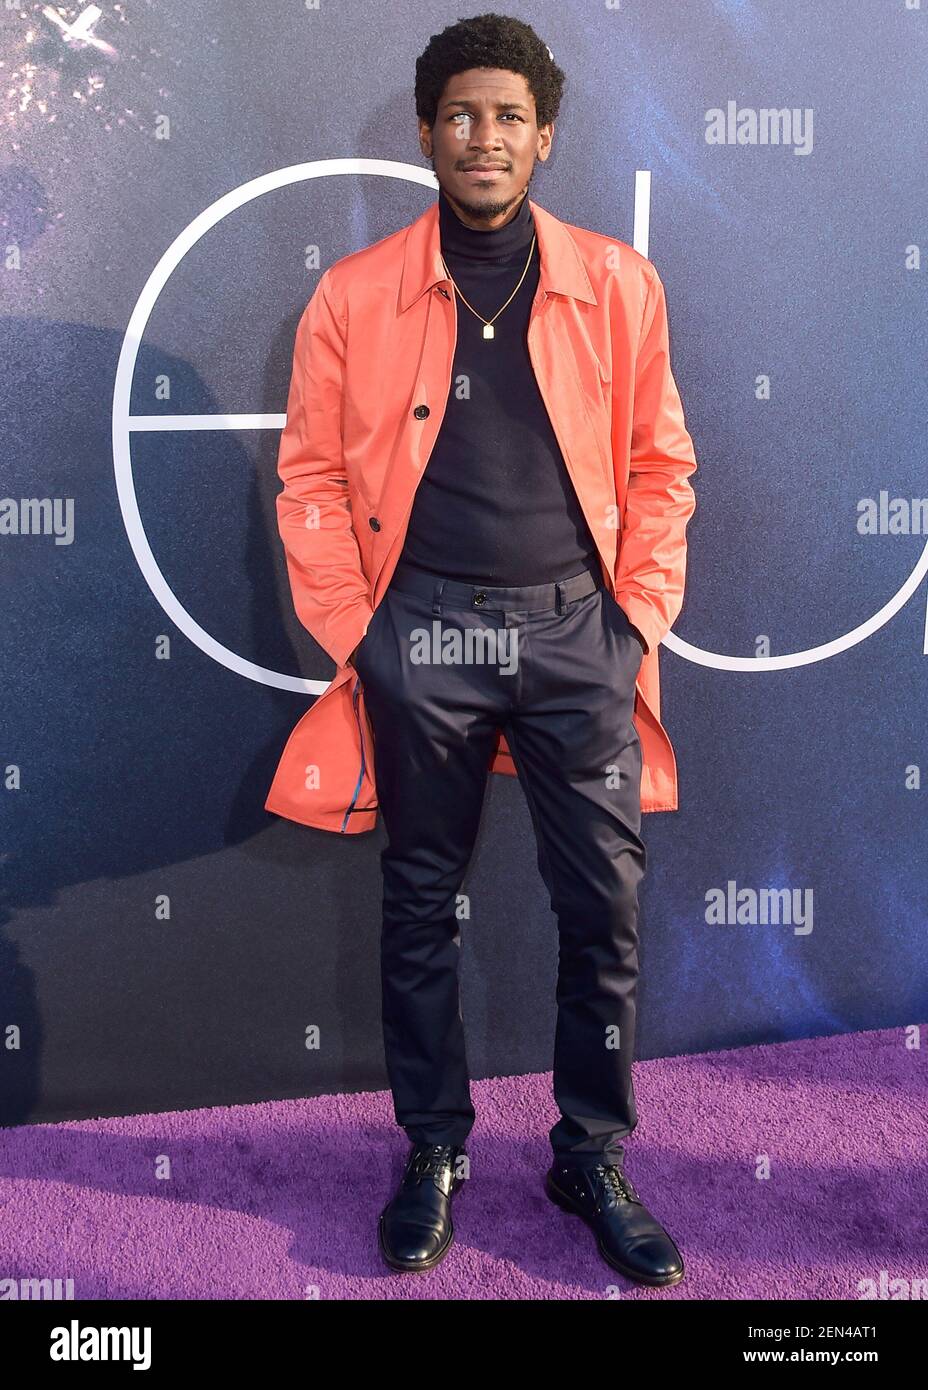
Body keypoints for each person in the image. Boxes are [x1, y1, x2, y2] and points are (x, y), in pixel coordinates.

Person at [270, 12, 698, 1287]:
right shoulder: (353, 295)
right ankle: (433, 1151)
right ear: (426, 133)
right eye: (461, 114)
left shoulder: (621, 285)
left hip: (581, 631)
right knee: (416, 909)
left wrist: (633, 622)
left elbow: (661, 470)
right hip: (423, 634)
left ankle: (589, 1153)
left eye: (509, 115)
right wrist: (364, 637)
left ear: (544, 136)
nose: (483, 136)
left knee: (604, 911)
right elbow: (305, 482)